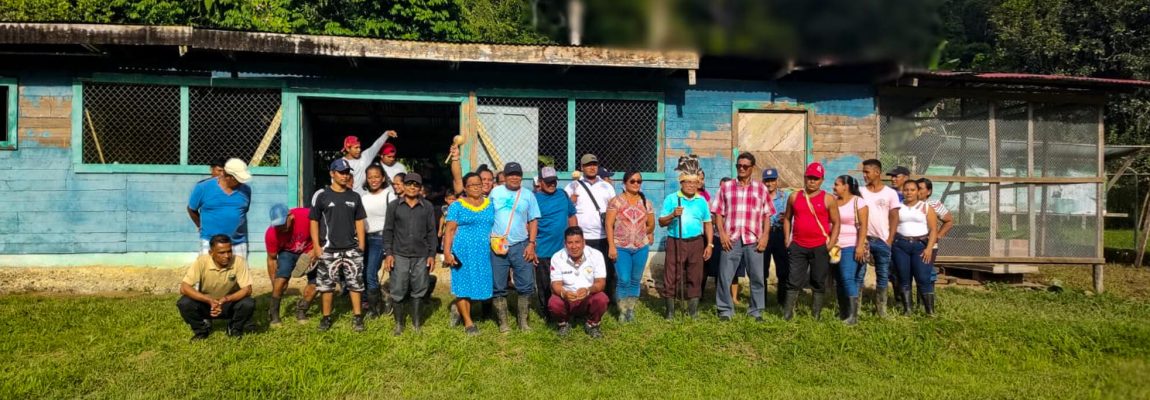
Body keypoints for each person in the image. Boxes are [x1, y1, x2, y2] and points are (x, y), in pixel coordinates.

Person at [310, 158, 369, 332]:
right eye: (341, 172)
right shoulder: (322, 196)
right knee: (326, 286)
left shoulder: (354, 196)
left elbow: (359, 221)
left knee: (355, 284)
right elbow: (313, 221)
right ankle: (326, 318)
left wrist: (362, 246)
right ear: (332, 174)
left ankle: (358, 317)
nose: (344, 176)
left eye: (346, 172)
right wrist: (316, 246)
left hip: (352, 249)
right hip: (328, 249)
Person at [712, 153, 773, 322]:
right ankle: (725, 310)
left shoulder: (761, 188)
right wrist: (722, 234)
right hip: (731, 238)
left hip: (754, 239)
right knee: (725, 275)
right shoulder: (726, 187)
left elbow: (767, 215)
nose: (742, 168)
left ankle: (756, 311)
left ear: (752, 168)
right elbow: (718, 212)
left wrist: (765, 236)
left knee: (757, 277)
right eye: (739, 165)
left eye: (745, 166)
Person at [781, 162, 840, 321]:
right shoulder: (794, 196)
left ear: (822, 180)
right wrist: (787, 238)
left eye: (816, 178)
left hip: (820, 246)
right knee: (793, 280)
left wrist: (831, 243)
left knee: (818, 280)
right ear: (804, 178)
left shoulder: (828, 199)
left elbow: (836, 222)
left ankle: (816, 314)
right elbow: (787, 218)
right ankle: (787, 314)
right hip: (798, 246)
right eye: (809, 178)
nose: (812, 181)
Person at [488, 162, 542, 333]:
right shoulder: (495, 193)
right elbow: (487, 216)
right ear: (504, 176)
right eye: (510, 174)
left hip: (521, 245)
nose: (514, 177)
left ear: (521, 176)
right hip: (498, 246)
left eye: (517, 174)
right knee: (498, 285)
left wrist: (532, 244)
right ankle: (503, 323)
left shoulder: (528, 195)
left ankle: (523, 322)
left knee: (526, 285)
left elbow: (533, 221)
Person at [383, 173, 438, 335]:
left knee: (419, 288)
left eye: (416, 185)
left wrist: (431, 254)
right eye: (409, 184)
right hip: (399, 253)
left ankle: (416, 324)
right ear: (403, 186)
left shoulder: (427, 207)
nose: (412, 187)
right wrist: (388, 253)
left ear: (420, 188)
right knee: (398, 288)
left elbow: (431, 232)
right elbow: (388, 230)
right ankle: (399, 324)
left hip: (421, 254)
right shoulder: (394, 206)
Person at [443, 172, 496, 335]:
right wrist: (447, 253)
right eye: (472, 185)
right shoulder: (457, 206)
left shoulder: (490, 204)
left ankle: (462, 310)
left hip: (484, 252)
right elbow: (450, 230)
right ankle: (468, 322)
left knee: (480, 283)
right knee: (463, 285)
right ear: (465, 188)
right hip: (463, 252)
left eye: (479, 184)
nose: (476, 187)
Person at [658, 168, 713, 319]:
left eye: (694, 182)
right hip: (675, 241)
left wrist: (709, 244)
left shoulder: (701, 201)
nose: (691, 185)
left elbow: (708, 223)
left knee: (695, 275)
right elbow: (661, 222)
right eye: (687, 182)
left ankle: (693, 312)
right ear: (681, 183)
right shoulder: (672, 199)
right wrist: (673, 214)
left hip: (696, 242)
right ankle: (670, 312)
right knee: (671, 275)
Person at [176, 235, 254, 340]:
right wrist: (209, 300)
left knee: (248, 303)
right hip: (207, 304)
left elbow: (247, 289)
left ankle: (234, 328)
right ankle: (201, 330)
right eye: (221, 252)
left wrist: (226, 299)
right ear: (211, 253)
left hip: (228, 304)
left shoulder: (239, 261)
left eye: (229, 251)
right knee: (184, 303)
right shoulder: (201, 262)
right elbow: (184, 288)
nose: (227, 255)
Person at [564, 154, 618, 300]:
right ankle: (583, 298)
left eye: (594, 164)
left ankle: (607, 299)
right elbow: (565, 210)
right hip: (582, 238)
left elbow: (614, 209)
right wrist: (571, 200)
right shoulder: (572, 186)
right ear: (582, 168)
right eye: (588, 165)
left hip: (603, 236)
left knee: (606, 269)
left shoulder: (606, 186)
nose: (592, 167)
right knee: (584, 270)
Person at [605, 171, 655, 323]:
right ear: (625, 183)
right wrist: (611, 246)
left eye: (639, 181)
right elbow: (608, 224)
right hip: (621, 247)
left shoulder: (646, 202)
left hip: (641, 247)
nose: (636, 184)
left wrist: (642, 233)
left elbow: (651, 224)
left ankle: (630, 310)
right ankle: (622, 310)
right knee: (624, 279)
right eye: (632, 181)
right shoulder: (616, 201)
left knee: (635, 279)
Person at [532, 166, 577, 320]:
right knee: (545, 285)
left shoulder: (563, 195)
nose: (552, 184)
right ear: (540, 182)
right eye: (548, 181)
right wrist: (532, 246)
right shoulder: (534, 199)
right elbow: (529, 224)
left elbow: (571, 216)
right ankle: (548, 314)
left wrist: (576, 239)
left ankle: (566, 311)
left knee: (566, 282)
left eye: (554, 181)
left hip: (564, 250)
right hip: (543, 251)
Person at [548, 227, 610, 338]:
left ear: (584, 242)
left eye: (577, 242)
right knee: (554, 302)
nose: (574, 246)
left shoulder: (596, 255)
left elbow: (601, 283)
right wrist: (564, 293)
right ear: (565, 244)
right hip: (567, 298)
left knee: (602, 298)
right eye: (570, 243)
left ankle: (592, 324)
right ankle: (563, 324)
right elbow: (555, 284)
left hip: (587, 296)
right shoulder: (557, 257)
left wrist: (588, 290)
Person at [264, 204, 318, 326]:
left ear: (291, 216)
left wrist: (316, 249)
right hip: (287, 252)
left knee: (316, 282)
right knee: (281, 280)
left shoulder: (306, 215)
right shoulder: (271, 234)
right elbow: (272, 259)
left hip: (309, 250)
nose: (281, 228)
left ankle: (301, 310)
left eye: (283, 224)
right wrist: (275, 283)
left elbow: (323, 229)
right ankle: (274, 313)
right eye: (277, 225)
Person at [188, 158, 252, 258]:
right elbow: (191, 209)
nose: (241, 182)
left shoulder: (246, 190)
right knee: (209, 272)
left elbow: (243, 211)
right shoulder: (203, 187)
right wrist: (200, 225)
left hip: (238, 243)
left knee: (238, 273)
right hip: (209, 241)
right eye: (238, 178)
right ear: (227, 176)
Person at [860, 159, 901, 317]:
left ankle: (881, 309)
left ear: (877, 172)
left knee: (883, 275)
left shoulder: (890, 193)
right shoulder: (861, 192)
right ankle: (856, 309)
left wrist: (889, 239)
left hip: (882, 241)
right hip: (864, 240)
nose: (864, 175)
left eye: (867, 172)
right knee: (859, 274)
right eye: (863, 172)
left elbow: (894, 216)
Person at [895, 180, 939, 316]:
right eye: (906, 190)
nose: (909, 192)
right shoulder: (897, 207)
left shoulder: (926, 207)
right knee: (903, 278)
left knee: (923, 277)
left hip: (920, 246)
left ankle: (929, 311)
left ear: (917, 192)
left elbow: (933, 230)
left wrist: (929, 248)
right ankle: (908, 309)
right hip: (900, 245)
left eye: (912, 190)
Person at [831, 176, 869, 326]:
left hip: (851, 245)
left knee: (847, 278)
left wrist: (859, 246)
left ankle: (853, 316)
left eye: (837, 184)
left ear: (846, 186)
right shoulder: (833, 201)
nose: (834, 187)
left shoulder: (858, 202)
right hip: (835, 247)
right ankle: (844, 312)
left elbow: (864, 226)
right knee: (839, 280)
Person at [361, 165, 398, 318]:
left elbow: (396, 220)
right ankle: (374, 301)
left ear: (383, 178)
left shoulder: (389, 196)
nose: (373, 180)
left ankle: (374, 309)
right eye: (370, 177)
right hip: (366, 238)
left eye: (376, 176)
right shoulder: (363, 197)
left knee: (370, 272)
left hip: (382, 238)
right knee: (364, 272)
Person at [762, 168, 789, 306]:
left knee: (783, 269)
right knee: (762, 269)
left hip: (779, 233)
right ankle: (762, 301)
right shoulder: (759, 197)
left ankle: (782, 300)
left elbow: (791, 217)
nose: (769, 183)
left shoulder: (785, 197)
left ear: (777, 181)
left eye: (772, 180)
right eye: (767, 180)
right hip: (764, 235)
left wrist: (787, 218)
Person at [917, 178, 954, 279]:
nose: (917, 190)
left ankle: (927, 293)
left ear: (928, 191)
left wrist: (937, 236)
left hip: (928, 246)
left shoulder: (934, 205)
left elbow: (949, 221)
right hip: (910, 244)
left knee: (925, 274)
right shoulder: (907, 204)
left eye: (920, 188)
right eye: (916, 188)